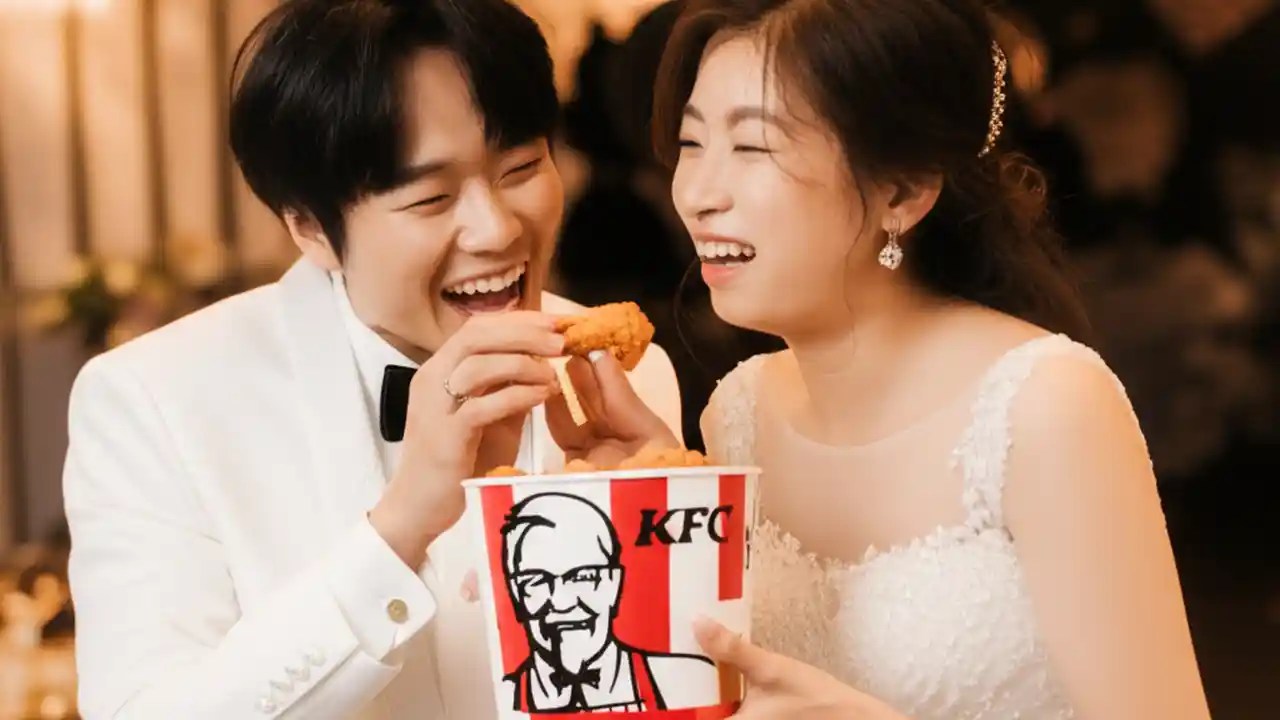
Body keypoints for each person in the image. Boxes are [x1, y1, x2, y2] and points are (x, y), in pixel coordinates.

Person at [61, 1, 681, 718]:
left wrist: (668, 549)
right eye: (431, 197)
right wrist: (401, 525)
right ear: (308, 227)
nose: (497, 228)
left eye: (521, 168)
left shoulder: (625, 382)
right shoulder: (153, 402)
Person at [616, 0, 1215, 717]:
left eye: (753, 148)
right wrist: (649, 519)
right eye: (691, 143)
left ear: (902, 189)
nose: (699, 194)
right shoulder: (736, 414)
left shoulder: (1044, 408)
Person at [498, 492, 716, 713]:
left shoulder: (687, 680)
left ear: (614, 584)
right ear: (516, 594)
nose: (562, 602)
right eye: (536, 581)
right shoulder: (503, 698)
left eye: (583, 577)